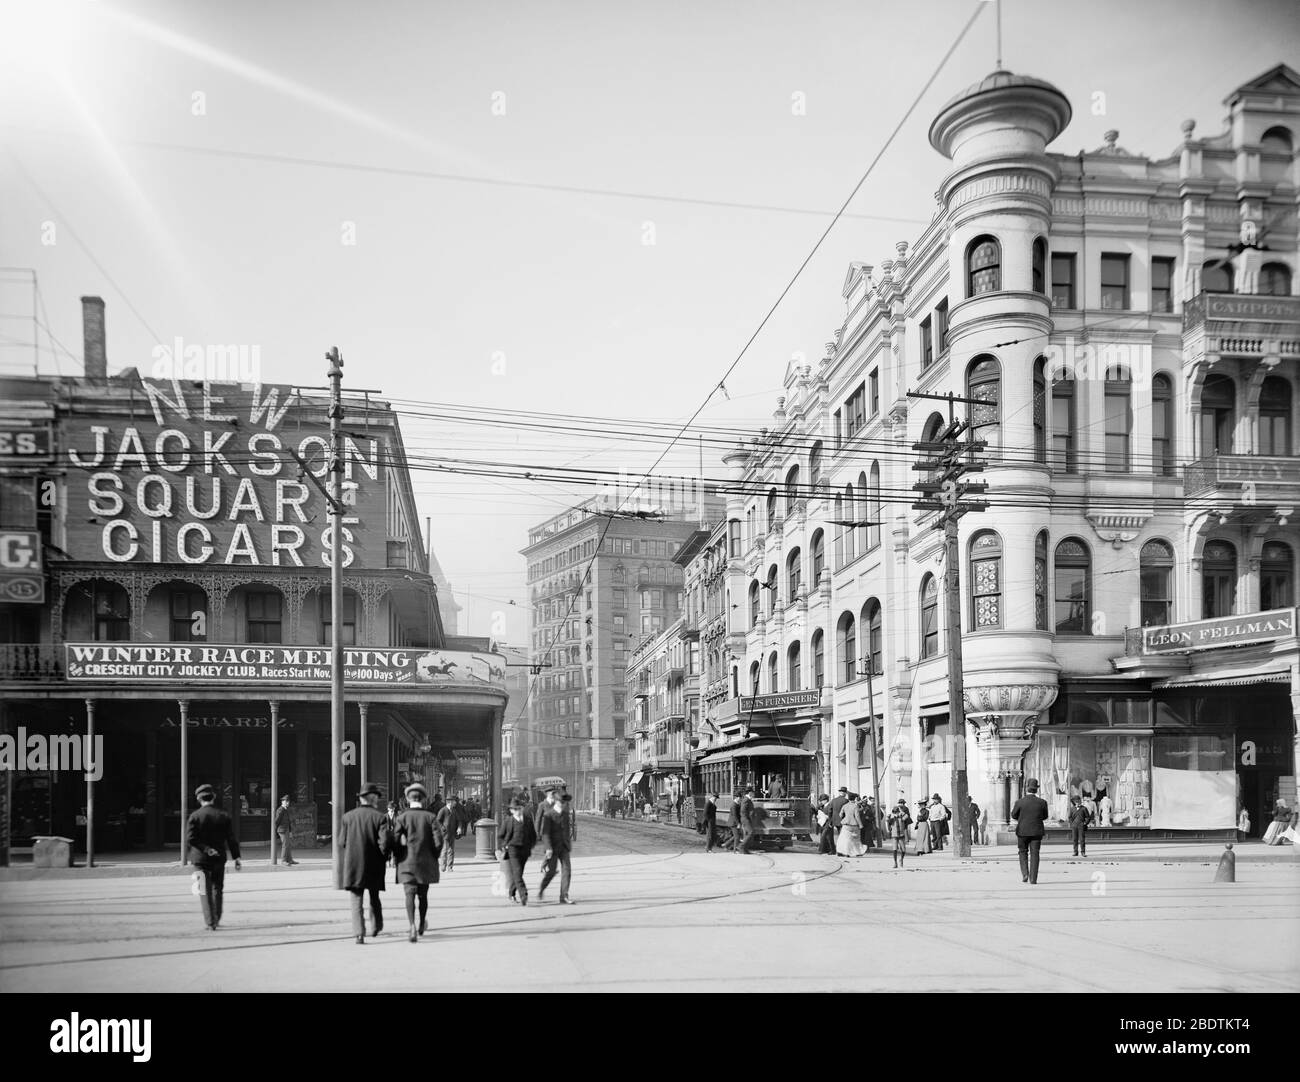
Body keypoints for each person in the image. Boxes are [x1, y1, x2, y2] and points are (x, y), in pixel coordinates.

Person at [341, 783, 392, 944]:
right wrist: (384, 858)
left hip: (354, 866)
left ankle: (359, 934)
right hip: (374, 865)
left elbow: (342, 841)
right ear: (374, 798)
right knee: (374, 896)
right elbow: (384, 843)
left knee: (356, 899)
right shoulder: (380, 818)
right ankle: (376, 926)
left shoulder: (348, 817)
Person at [186, 784, 241, 930]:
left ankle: (210, 922)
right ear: (214, 797)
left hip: (200, 860)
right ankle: (216, 918)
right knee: (218, 888)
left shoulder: (195, 816)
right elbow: (231, 838)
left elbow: (190, 839)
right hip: (218, 858)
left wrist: (205, 849)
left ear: (199, 799)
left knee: (204, 890)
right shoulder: (223, 816)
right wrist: (236, 858)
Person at [394, 783, 443, 942]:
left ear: (408, 799)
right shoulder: (431, 817)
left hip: (407, 863)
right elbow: (439, 841)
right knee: (423, 895)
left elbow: (394, 840)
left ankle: (412, 926)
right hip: (425, 863)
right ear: (423, 799)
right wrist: (433, 856)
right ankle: (422, 923)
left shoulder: (402, 818)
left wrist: (399, 856)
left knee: (409, 894)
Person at [497, 797, 537, 904]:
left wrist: (530, 846)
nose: (518, 811)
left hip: (524, 850)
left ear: (522, 809)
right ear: (511, 811)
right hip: (512, 849)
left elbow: (533, 836)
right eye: (515, 809)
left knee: (518, 873)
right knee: (518, 872)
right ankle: (523, 895)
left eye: (519, 808)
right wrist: (504, 845)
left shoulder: (528, 820)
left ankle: (511, 893)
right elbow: (500, 835)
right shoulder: (508, 821)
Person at [1011, 777, 1050, 884]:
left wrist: (1022, 818)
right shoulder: (1042, 802)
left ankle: (1025, 874)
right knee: (1035, 854)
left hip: (1022, 831)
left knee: (1022, 852)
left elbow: (1013, 815)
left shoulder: (1019, 802)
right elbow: (1045, 816)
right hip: (1036, 831)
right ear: (1036, 790)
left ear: (1026, 789)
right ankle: (1033, 879)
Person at [538, 793, 575, 904]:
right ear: (557, 802)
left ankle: (564, 896)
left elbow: (567, 830)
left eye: (565, 803)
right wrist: (548, 848)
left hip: (563, 847)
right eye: (563, 803)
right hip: (553, 848)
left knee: (567, 871)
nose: (564, 805)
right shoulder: (548, 815)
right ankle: (542, 888)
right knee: (551, 872)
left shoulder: (565, 814)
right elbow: (545, 834)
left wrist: (568, 844)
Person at [437, 794, 464, 872]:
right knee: (445, 850)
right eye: (454, 801)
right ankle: (443, 866)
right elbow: (438, 821)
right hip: (445, 834)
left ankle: (450, 867)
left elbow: (459, 820)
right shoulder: (443, 810)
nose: (455, 802)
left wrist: (459, 828)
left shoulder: (454, 810)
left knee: (451, 850)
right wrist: (442, 828)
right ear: (449, 802)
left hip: (452, 833)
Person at [886, 798, 912, 868]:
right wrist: (891, 815)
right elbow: (887, 820)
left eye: (897, 812)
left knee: (903, 850)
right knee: (894, 849)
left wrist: (901, 812)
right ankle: (895, 863)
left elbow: (907, 816)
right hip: (894, 836)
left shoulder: (902, 817)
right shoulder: (891, 819)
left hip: (901, 835)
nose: (896, 813)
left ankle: (901, 859)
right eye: (895, 812)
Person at [273, 794, 297, 865]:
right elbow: (276, 821)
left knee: (288, 844)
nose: (287, 803)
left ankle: (289, 860)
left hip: (286, 829)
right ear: (282, 802)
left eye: (288, 801)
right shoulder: (280, 810)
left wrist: (290, 831)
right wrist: (275, 830)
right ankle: (283, 860)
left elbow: (288, 821)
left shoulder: (285, 809)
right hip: (282, 830)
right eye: (286, 801)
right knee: (285, 845)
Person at [739, 786, 758, 853]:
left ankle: (745, 849)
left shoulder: (748, 799)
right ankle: (741, 846)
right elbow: (743, 810)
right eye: (752, 792)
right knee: (751, 832)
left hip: (747, 818)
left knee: (748, 833)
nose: (753, 794)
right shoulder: (746, 799)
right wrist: (747, 817)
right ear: (749, 792)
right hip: (745, 818)